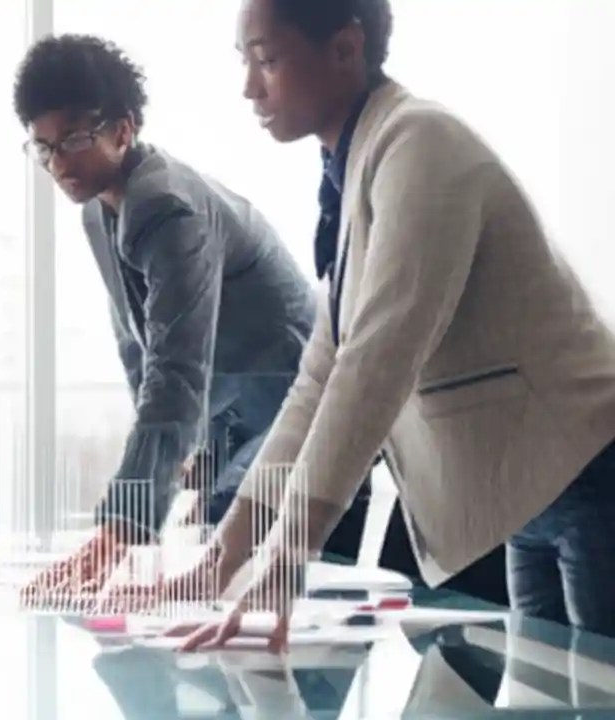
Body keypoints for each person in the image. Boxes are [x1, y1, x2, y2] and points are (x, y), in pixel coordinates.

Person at [169, 0, 615, 651]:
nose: (249, 88)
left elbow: (376, 362)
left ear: (346, 49)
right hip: (525, 492)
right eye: (245, 63)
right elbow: (320, 375)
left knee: (594, 691)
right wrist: (228, 549)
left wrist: (287, 555)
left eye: (267, 61)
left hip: (584, 473)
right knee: (553, 693)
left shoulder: (419, 145)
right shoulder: (361, 163)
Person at [11, 34, 320, 598]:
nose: (58, 164)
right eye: (44, 146)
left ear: (123, 131)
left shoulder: (166, 206)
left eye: (73, 140)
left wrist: (125, 518)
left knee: (236, 538)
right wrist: (170, 466)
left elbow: (175, 369)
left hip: (303, 403)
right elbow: (138, 347)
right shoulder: (98, 212)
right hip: (234, 418)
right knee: (189, 571)